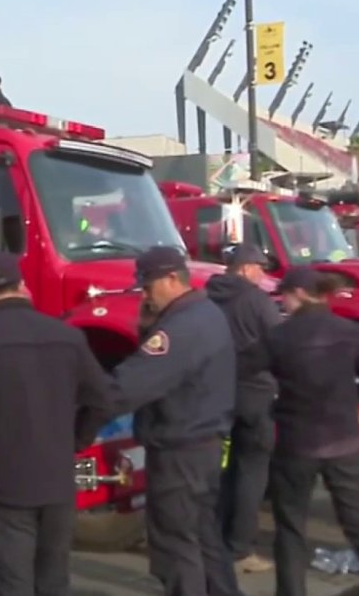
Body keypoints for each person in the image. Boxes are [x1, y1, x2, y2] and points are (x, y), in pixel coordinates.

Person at [0, 251, 117, 596]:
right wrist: (77, 441)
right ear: (23, 286)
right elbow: (103, 398)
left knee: (10, 584)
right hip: (56, 483)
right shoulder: (67, 336)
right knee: (53, 581)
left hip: (3, 486)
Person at [265, 267, 359, 596]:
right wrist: (349, 403)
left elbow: (260, 383)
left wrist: (277, 408)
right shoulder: (351, 331)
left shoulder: (277, 336)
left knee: (291, 527)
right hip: (344, 441)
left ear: (300, 293)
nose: (283, 303)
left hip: (296, 443)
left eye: (285, 296)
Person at [104, 246, 242, 596]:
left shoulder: (180, 327)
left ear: (171, 279)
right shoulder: (207, 313)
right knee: (205, 538)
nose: (145, 296)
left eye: (148, 288)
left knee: (176, 547)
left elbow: (129, 385)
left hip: (180, 450)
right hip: (205, 445)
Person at [207, 243, 280, 574]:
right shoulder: (256, 300)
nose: (263, 274)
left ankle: (215, 537)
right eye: (260, 268)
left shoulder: (207, 298)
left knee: (223, 468)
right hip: (256, 396)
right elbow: (278, 343)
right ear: (247, 268)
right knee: (252, 470)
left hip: (217, 396)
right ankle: (240, 548)